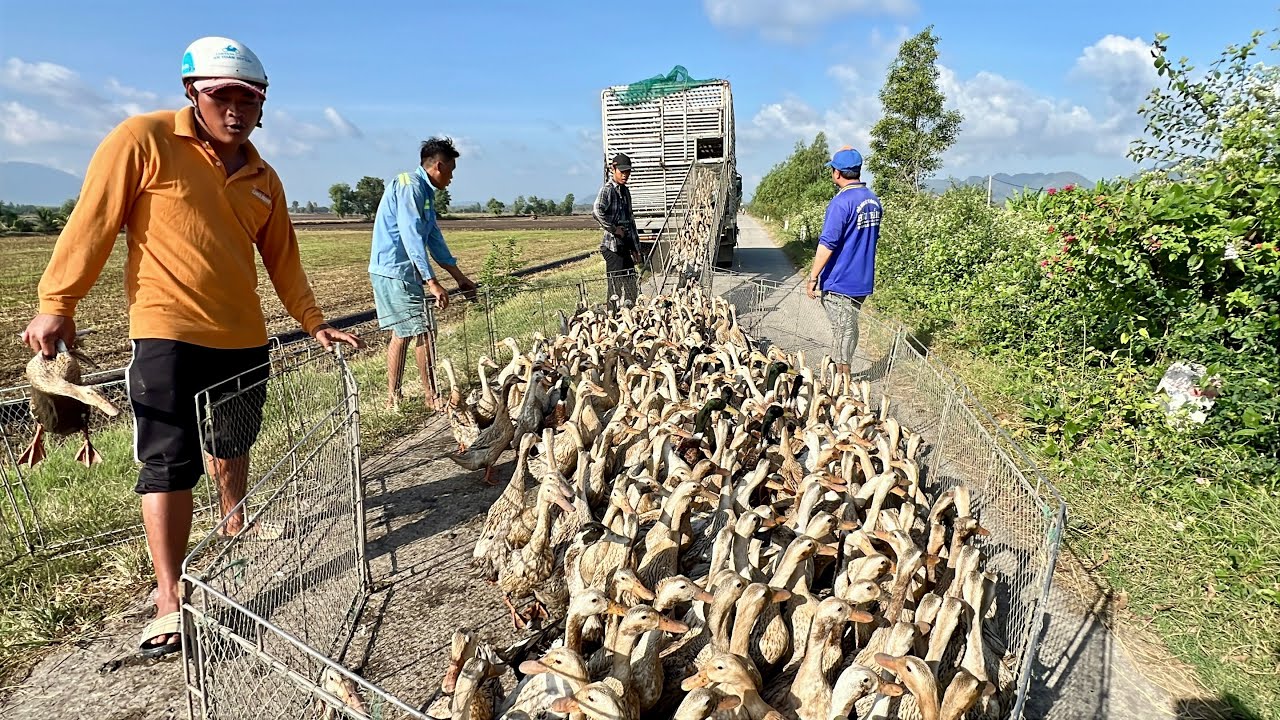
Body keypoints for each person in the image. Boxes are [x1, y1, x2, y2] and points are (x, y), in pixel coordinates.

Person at [21, 35, 363, 660]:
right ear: (192, 94)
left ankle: (235, 522)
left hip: (243, 338)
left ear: (263, 106)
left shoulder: (264, 177)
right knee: (169, 462)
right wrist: (57, 302)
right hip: (166, 333)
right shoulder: (143, 141)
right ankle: (169, 598)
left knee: (231, 446)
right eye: (222, 95)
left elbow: (283, 259)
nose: (236, 109)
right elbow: (92, 220)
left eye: (249, 99)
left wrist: (312, 321)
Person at [368, 138, 478, 411]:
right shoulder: (410, 188)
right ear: (438, 166)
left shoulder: (424, 193)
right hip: (396, 271)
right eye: (451, 171)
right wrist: (432, 282)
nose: (451, 178)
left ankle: (394, 397)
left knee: (403, 332)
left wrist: (459, 277)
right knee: (423, 331)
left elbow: (434, 239)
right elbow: (411, 237)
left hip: (398, 271)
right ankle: (431, 397)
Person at [805, 146, 883, 377]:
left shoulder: (841, 203)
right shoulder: (873, 200)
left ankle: (842, 378)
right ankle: (841, 374)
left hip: (840, 280)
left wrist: (813, 277)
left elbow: (827, 244)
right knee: (848, 326)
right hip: (862, 279)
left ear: (837, 173)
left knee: (843, 329)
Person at [592, 153, 642, 306]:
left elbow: (631, 222)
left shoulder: (625, 192)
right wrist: (614, 229)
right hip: (612, 248)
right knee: (615, 288)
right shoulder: (607, 190)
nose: (625, 175)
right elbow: (596, 211)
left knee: (631, 285)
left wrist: (635, 248)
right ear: (613, 169)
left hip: (625, 245)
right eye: (622, 172)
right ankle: (612, 318)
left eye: (628, 172)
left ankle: (632, 316)